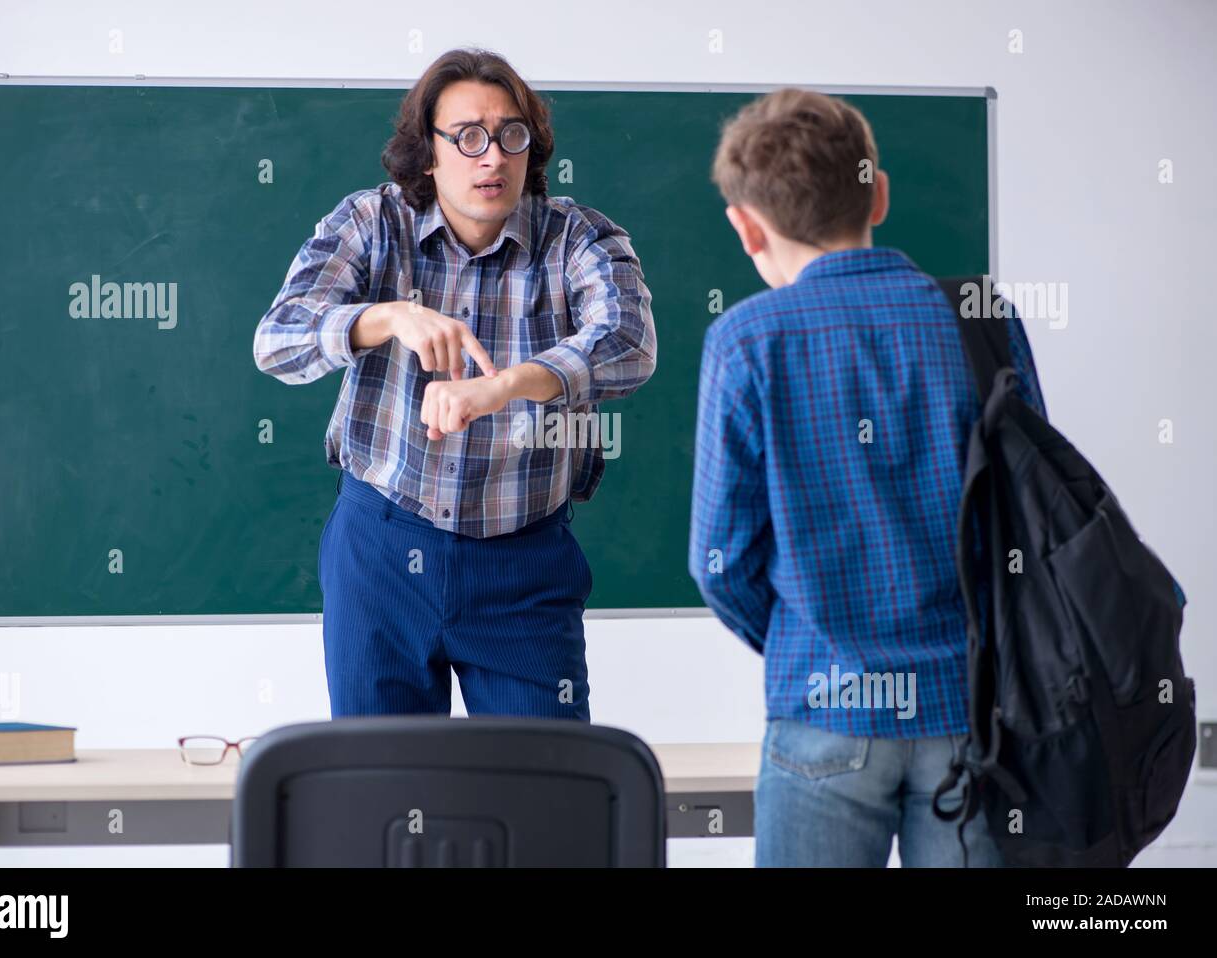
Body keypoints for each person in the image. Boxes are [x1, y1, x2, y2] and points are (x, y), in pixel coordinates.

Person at [688, 88, 1046, 866]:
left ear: (746, 226)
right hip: (971, 710)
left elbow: (719, 564)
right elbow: (1033, 519)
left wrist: (807, 641)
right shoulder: (982, 315)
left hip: (823, 703)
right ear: (878, 191)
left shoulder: (745, 340)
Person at [254, 48, 656, 721]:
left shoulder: (580, 238)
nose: (492, 157)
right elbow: (278, 339)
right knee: (380, 791)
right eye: (468, 137)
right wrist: (385, 317)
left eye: (511, 135)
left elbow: (630, 343)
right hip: (380, 555)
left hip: (523, 564)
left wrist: (509, 386)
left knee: (545, 792)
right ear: (428, 153)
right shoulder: (370, 223)